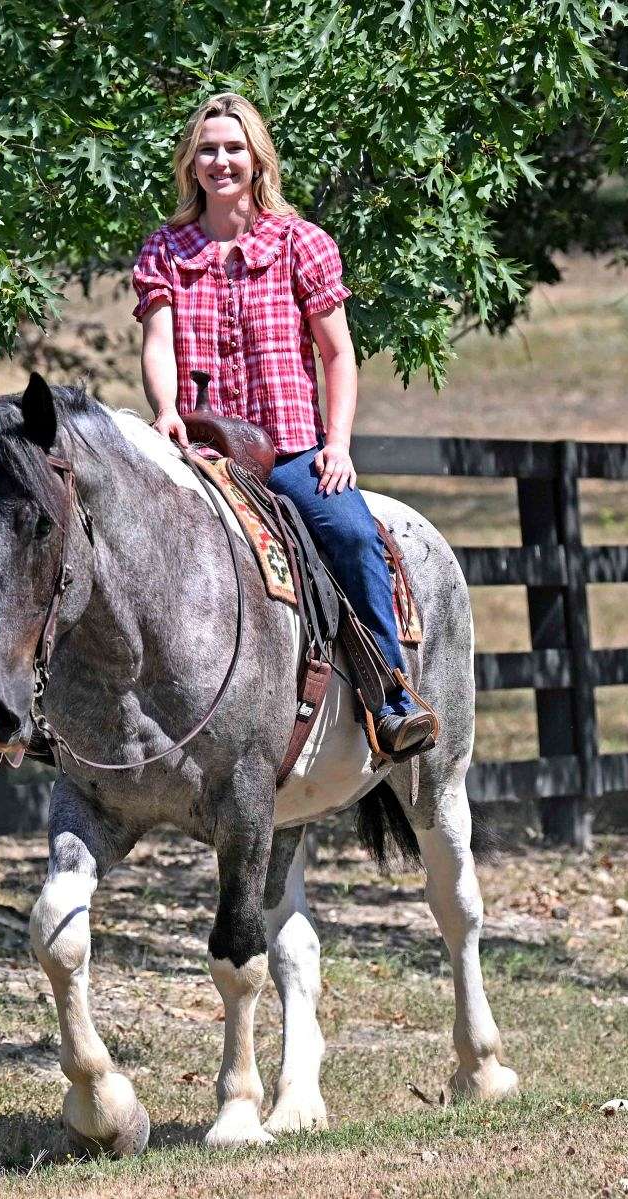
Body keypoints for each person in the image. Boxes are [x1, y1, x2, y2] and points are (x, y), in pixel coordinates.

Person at [131, 91, 434, 756]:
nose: (220, 160)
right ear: (192, 162)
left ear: (257, 158)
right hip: (201, 451)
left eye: (233, 148)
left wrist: (339, 444)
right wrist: (164, 410)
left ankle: (390, 696)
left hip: (293, 448)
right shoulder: (166, 250)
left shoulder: (302, 244)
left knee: (353, 537)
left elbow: (337, 354)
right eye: (208, 149)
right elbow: (159, 342)